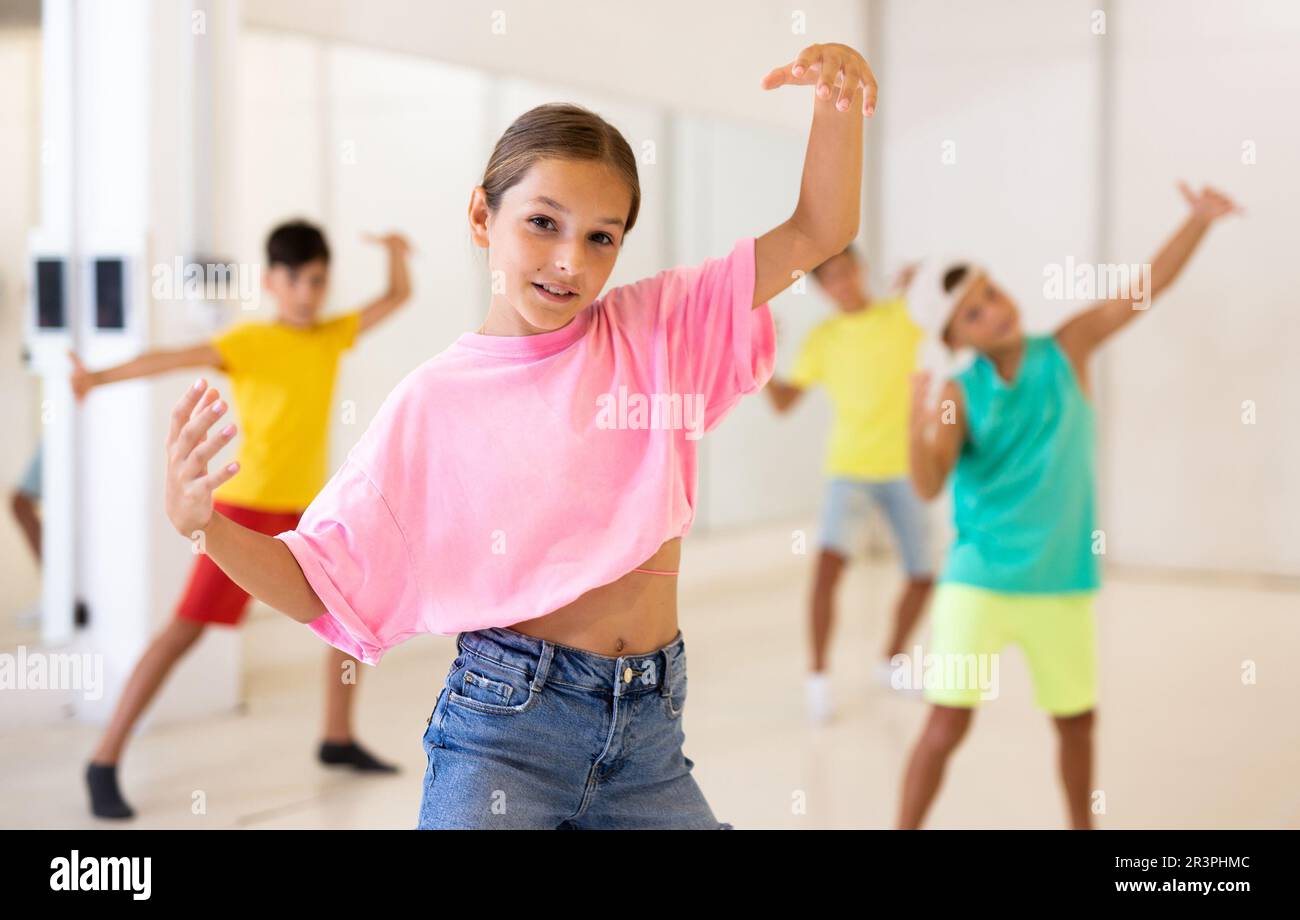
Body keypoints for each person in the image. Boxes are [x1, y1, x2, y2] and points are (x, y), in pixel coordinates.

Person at [158, 41, 877, 829]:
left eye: (602, 237)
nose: (569, 260)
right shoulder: (433, 402)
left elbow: (818, 229)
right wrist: (206, 528)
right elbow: (316, 581)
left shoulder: (658, 327)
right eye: (543, 223)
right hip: (507, 732)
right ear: (481, 216)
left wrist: (837, 104)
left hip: (650, 734)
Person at [898, 182, 1241, 829]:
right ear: (955, 338)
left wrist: (1197, 221)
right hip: (980, 582)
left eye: (991, 294)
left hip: (1060, 583)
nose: (994, 312)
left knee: (1078, 723)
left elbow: (1142, 292)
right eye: (972, 313)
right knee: (946, 722)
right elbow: (926, 484)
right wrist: (913, 422)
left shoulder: (1069, 349)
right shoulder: (957, 394)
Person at [76, 221, 412, 819]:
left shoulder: (333, 335)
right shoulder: (250, 341)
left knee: (349, 621)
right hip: (243, 512)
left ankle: (337, 739)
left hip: (310, 511)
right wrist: (97, 378)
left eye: (317, 280)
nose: (307, 292)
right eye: (294, 280)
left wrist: (394, 256)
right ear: (271, 282)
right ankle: (104, 758)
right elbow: (170, 358)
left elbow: (395, 299)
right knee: (183, 630)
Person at [764, 249, 932, 720]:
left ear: (861, 270)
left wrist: (923, 272)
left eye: (845, 272)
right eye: (829, 279)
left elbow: (945, 295)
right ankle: (819, 677)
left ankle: (892, 662)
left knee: (923, 574)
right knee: (827, 569)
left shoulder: (902, 315)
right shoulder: (823, 339)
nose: (841, 284)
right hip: (850, 468)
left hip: (905, 466)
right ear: (821, 289)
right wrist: (754, 353)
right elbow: (782, 403)